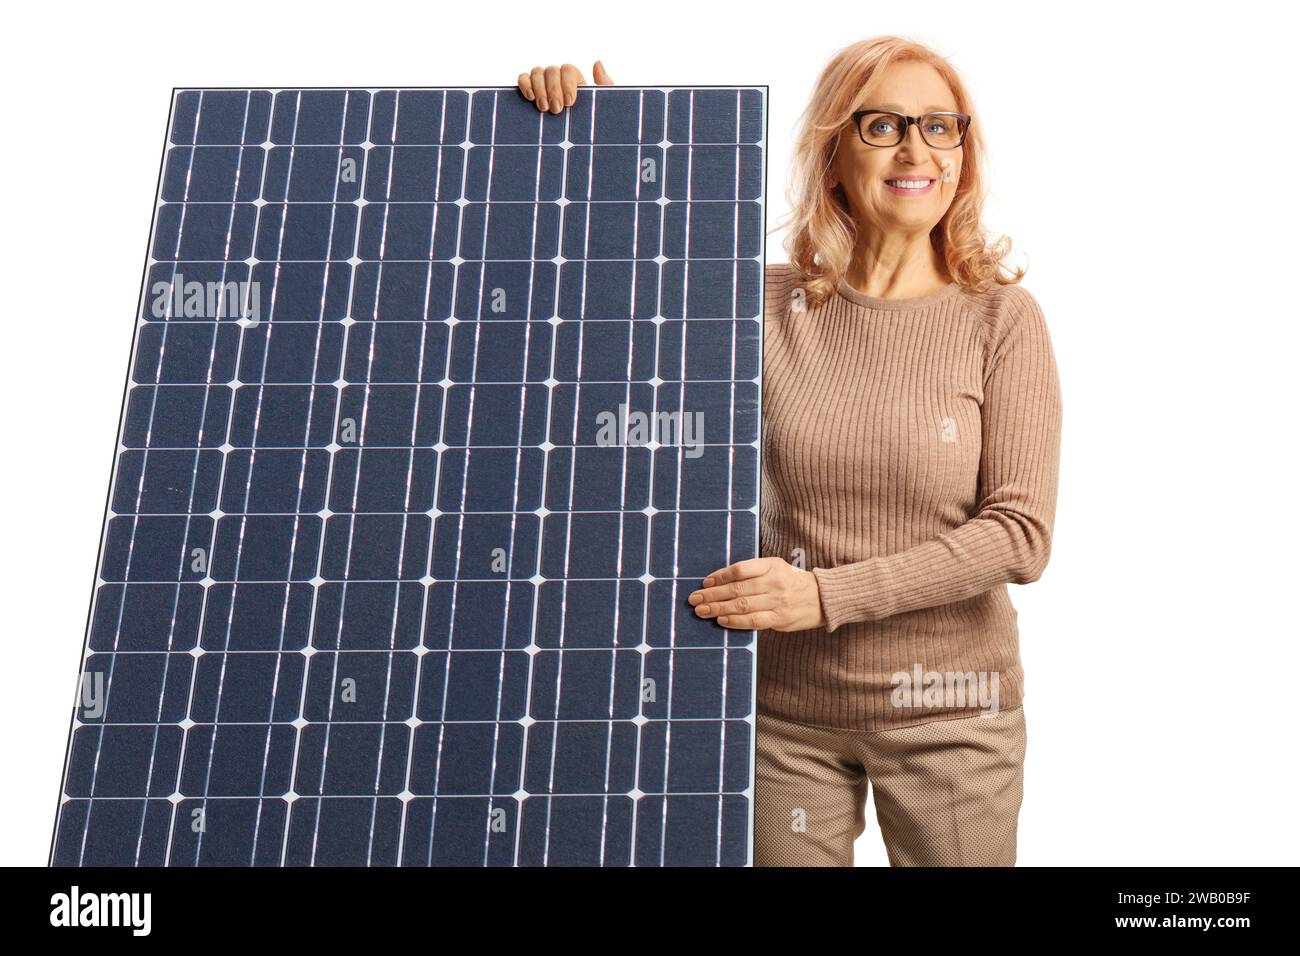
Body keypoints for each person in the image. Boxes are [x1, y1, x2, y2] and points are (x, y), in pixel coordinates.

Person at [516, 35, 1062, 867]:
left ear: (964, 154)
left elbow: (1020, 536)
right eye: (883, 125)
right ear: (834, 156)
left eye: (941, 127)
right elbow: (615, 308)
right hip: (783, 719)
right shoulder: (761, 306)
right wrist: (589, 142)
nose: (917, 148)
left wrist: (823, 597)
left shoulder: (1001, 320)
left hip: (954, 715)